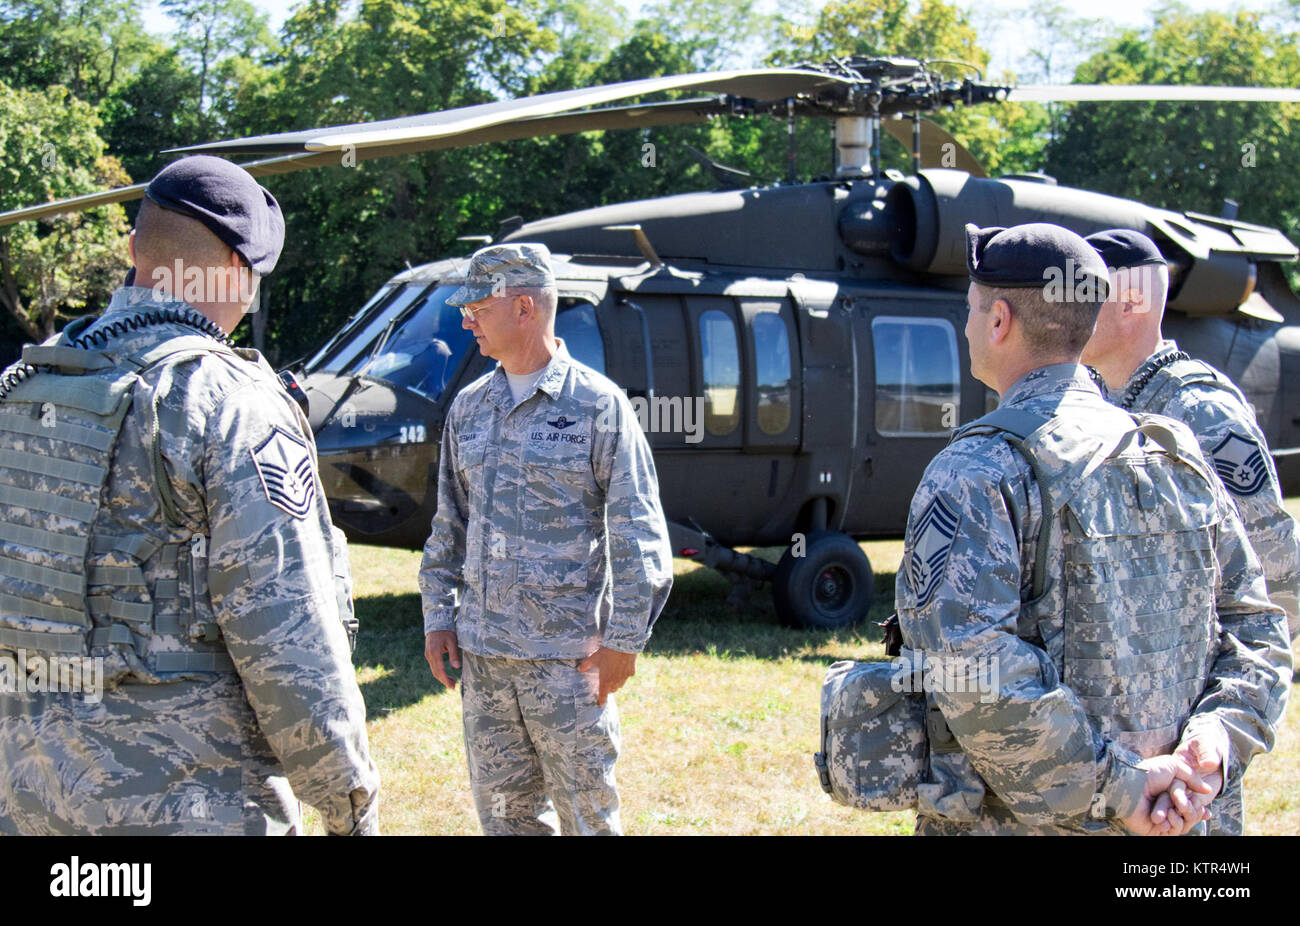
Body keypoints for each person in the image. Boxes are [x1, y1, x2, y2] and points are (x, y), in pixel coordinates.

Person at [0, 155, 380, 835]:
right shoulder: (228, 402)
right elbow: (289, 640)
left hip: (31, 803)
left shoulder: (26, 384)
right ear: (239, 272)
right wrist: (349, 802)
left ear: (132, 250)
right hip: (187, 808)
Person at [895, 223, 1291, 835]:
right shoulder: (1175, 451)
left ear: (999, 319)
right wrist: (1216, 741)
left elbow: (968, 670)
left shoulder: (977, 471)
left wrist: (1125, 793)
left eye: (971, 309)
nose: (968, 325)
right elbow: (1259, 624)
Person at [420, 242, 673, 836]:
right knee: (506, 822)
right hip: (485, 660)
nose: (466, 320)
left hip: (567, 663)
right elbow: (447, 525)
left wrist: (624, 641)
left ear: (525, 308)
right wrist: (438, 617)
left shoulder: (597, 405)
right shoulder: (469, 408)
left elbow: (637, 529)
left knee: (588, 820)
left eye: (478, 306)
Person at [1081, 227, 1300, 834]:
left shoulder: (1200, 412)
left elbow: (1277, 584)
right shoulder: (1098, 406)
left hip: (1189, 757)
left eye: (1080, 295)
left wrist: (1218, 720)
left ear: (1130, 302)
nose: (1063, 312)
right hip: (1122, 759)